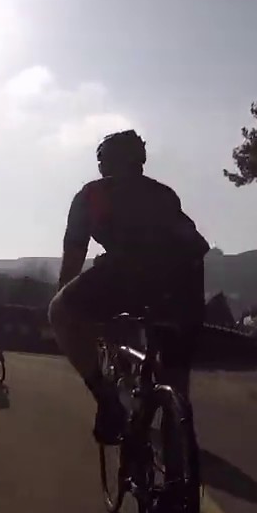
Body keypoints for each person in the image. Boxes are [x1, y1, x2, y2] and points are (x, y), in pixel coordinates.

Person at [48, 130, 210, 444]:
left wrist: (65, 297)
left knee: (60, 311)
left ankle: (107, 400)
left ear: (105, 162)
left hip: (131, 272)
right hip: (186, 279)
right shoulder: (164, 194)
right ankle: (178, 451)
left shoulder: (92, 195)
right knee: (176, 377)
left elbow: (73, 256)